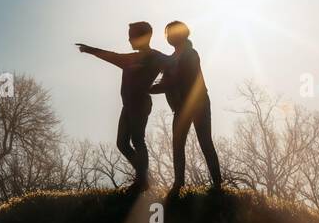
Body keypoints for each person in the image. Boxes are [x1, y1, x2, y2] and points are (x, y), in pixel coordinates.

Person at [76, 22, 164, 190]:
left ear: (143, 36)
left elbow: (171, 68)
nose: (129, 38)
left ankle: (142, 180)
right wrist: (90, 50)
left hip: (139, 103)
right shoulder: (136, 57)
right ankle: (143, 176)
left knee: (137, 139)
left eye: (132, 35)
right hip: (129, 104)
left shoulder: (154, 57)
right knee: (122, 143)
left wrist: (156, 86)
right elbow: (114, 57)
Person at [151, 20, 223, 193]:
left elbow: (178, 80)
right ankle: (178, 185)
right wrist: (146, 88)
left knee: (205, 142)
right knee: (177, 144)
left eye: (172, 33)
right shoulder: (169, 60)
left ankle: (218, 185)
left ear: (182, 34)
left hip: (198, 103)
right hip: (181, 107)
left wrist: (154, 86)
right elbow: (166, 82)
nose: (169, 37)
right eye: (167, 34)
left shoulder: (191, 54)